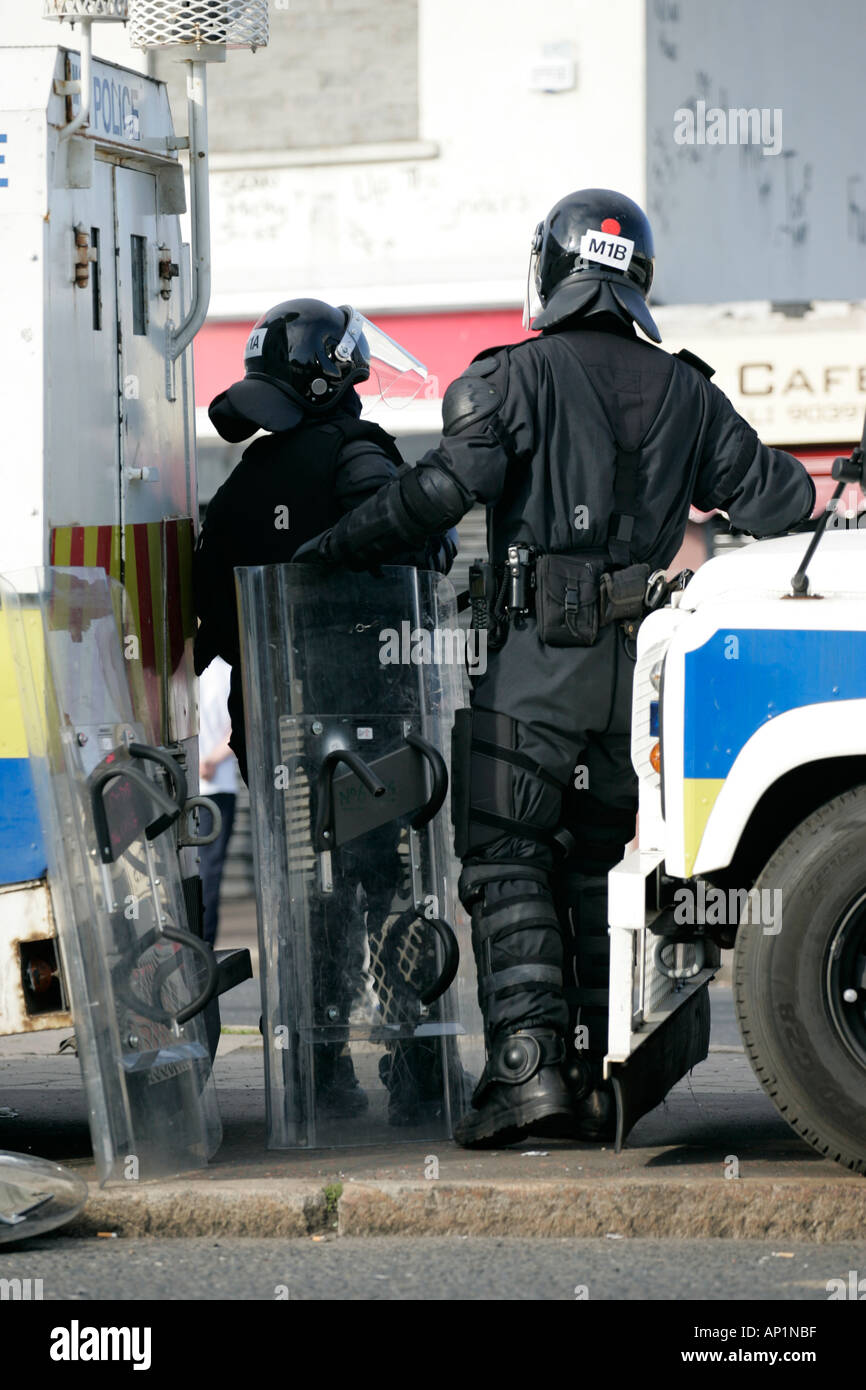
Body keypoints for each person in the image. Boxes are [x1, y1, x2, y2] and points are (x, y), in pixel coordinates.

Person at [292, 189, 816, 1148]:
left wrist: (333, 546)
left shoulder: (511, 376)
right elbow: (775, 497)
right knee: (591, 872)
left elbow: (442, 492)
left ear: (553, 267)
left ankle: (527, 1073)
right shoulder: (689, 391)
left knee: (505, 858)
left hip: (535, 671)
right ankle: (591, 1076)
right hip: (638, 682)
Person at [193, 297, 456, 1118]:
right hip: (369, 716)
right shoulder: (357, 452)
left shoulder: (241, 485)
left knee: (305, 896)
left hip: (273, 726)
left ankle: (316, 1073)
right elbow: (417, 537)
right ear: (334, 376)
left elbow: (202, 621)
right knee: (391, 889)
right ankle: (417, 1075)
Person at [197, 654, 238, 948]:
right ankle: (204, 943)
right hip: (217, 785)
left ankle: (198, 941)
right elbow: (238, 726)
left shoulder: (178, 667)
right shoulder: (227, 671)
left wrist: (206, 761)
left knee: (201, 871)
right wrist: (211, 761)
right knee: (210, 871)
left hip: (202, 783)